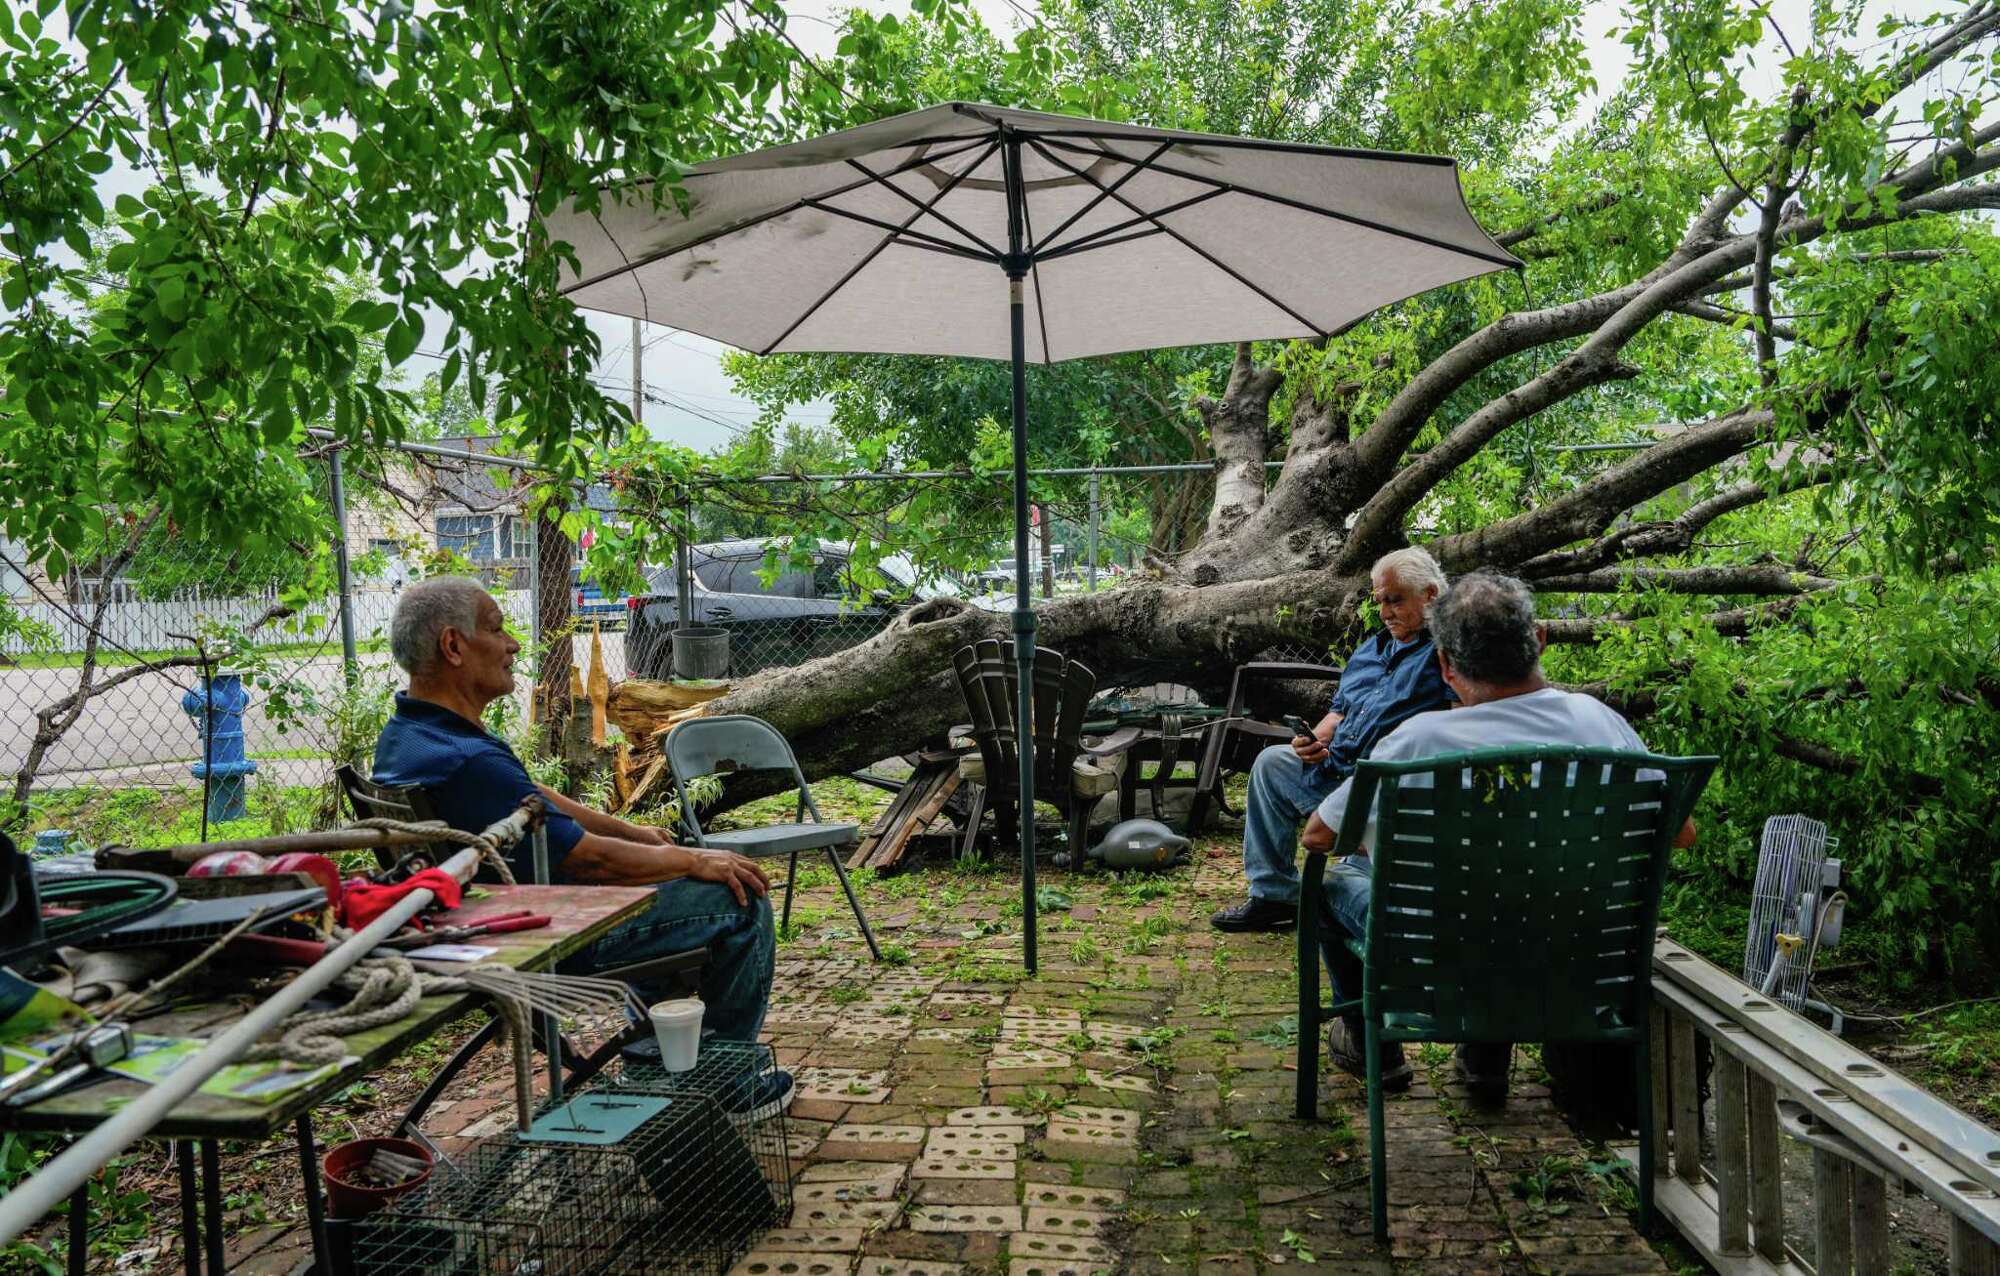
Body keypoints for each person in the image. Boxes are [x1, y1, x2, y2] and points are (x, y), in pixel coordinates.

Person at [370, 577, 790, 1113]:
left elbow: (534, 796)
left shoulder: (415, 734)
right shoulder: (468, 760)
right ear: (453, 646)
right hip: (548, 944)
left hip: (498, 919)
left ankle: (659, 1062)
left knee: (676, 882)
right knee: (741, 897)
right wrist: (691, 859)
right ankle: (731, 1085)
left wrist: (636, 833)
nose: (513, 645)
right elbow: (589, 859)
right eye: (497, 630)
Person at [1301, 571, 1697, 1101]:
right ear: (1539, 641)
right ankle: (1485, 1056)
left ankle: (1374, 1047)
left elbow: (1318, 835)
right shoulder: (1600, 723)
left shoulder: (1416, 741)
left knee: (1335, 884)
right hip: (1576, 960)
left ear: (1444, 665)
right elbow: (1681, 833)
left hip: (1438, 965)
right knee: (1521, 887)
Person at [1209, 547, 1456, 933]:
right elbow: (1338, 713)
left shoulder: (1447, 654)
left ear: (1430, 594)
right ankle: (1275, 896)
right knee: (1273, 763)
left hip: (1387, 786)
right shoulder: (1372, 649)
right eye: (1380, 602)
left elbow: (1459, 724)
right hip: (1336, 768)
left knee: (1351, 875)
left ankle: (1359, 863)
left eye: (1396, 600)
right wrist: (1312, 741)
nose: (1386, 612)